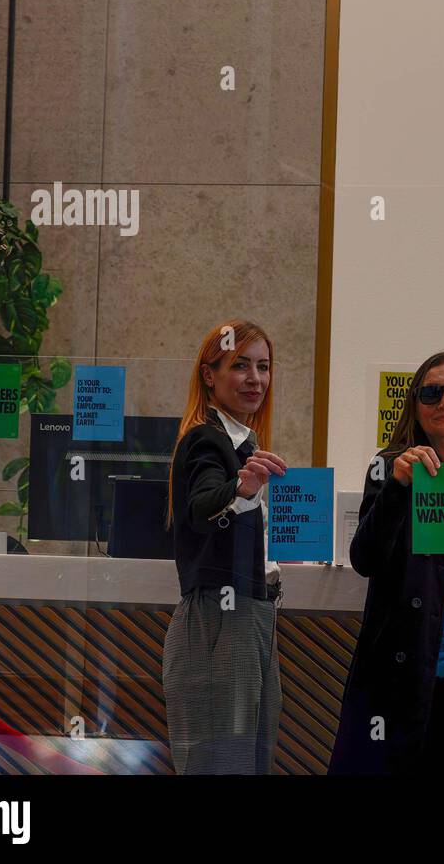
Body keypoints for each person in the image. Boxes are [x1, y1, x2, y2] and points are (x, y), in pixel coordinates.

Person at [328, 351, 444, 774]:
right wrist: (396, 488)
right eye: (431, 393)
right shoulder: (390, 466)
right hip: (408, 674)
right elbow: (364, 558)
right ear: (415, 405)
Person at [162, 320, 288, 774]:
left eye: (263, 366)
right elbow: (201, 506)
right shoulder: (206, 439)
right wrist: (241, 486)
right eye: (240, 366)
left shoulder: (244, 443)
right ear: (209, 375)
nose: (255, 378)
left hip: (253, 616)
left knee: (247, 762)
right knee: (222, 765)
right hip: (221, 617)